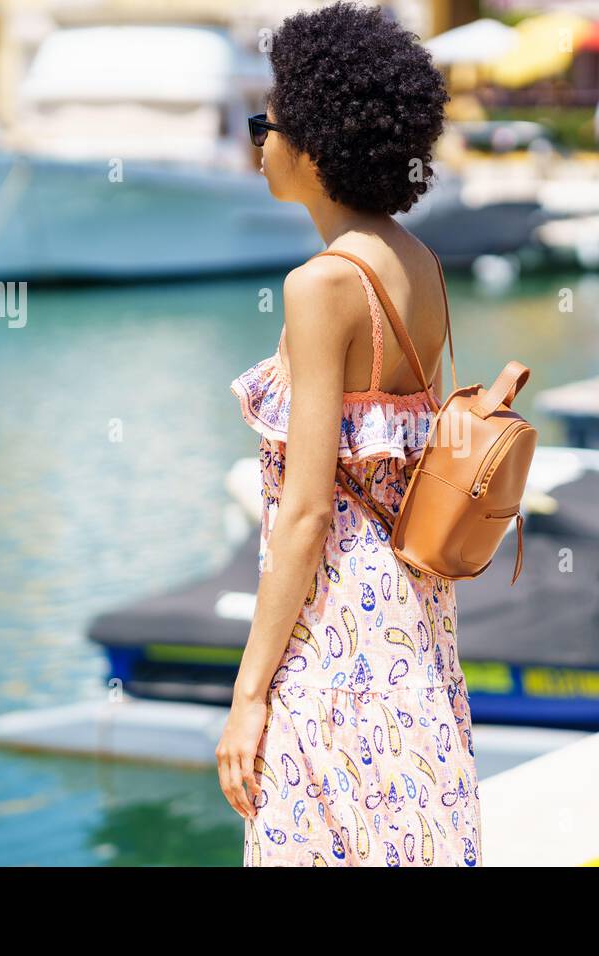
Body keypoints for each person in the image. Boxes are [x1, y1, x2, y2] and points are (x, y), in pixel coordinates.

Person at [219, 1, 482, 867]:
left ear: (317, 144)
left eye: (270, 123)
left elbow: (304, 517)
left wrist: (250, 692)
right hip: (413, 618)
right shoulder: (420, 264)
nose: (260, 142)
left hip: (334, 633)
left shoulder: (320, 286)